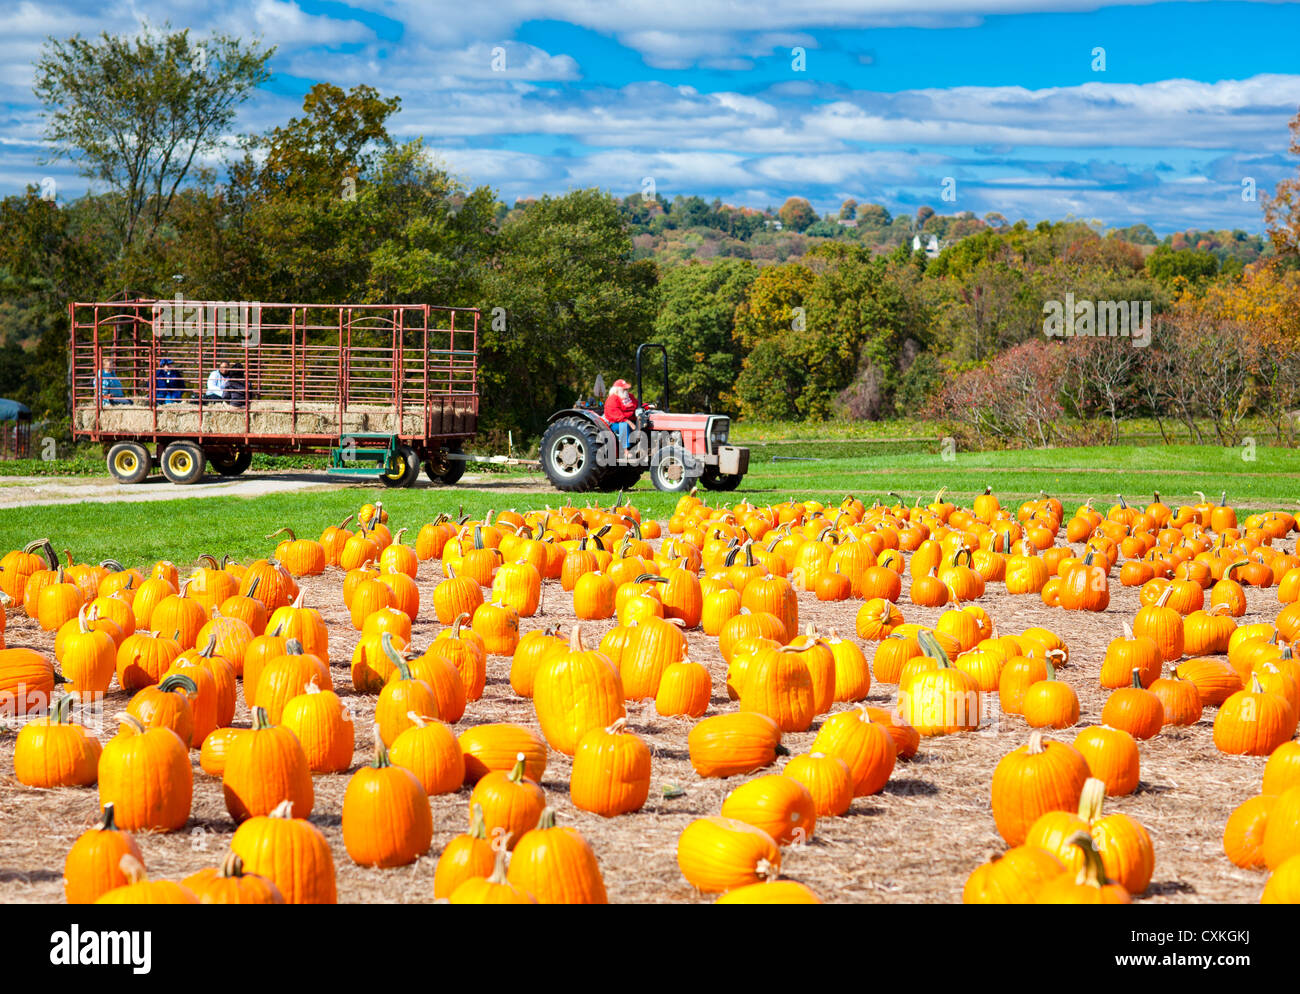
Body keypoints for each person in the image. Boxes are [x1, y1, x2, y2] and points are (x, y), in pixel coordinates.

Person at [603, 378, 638, 449]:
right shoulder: (612, 399)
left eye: (627, 389)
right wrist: (630, 423)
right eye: (624, 389)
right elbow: (616, 415)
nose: (626, 391)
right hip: (615, 423)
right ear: (617, 390)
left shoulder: (629, 396)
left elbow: (637, 404)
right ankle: (625, 451)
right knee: (624, 426)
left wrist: (646, 406)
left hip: (629, 420)